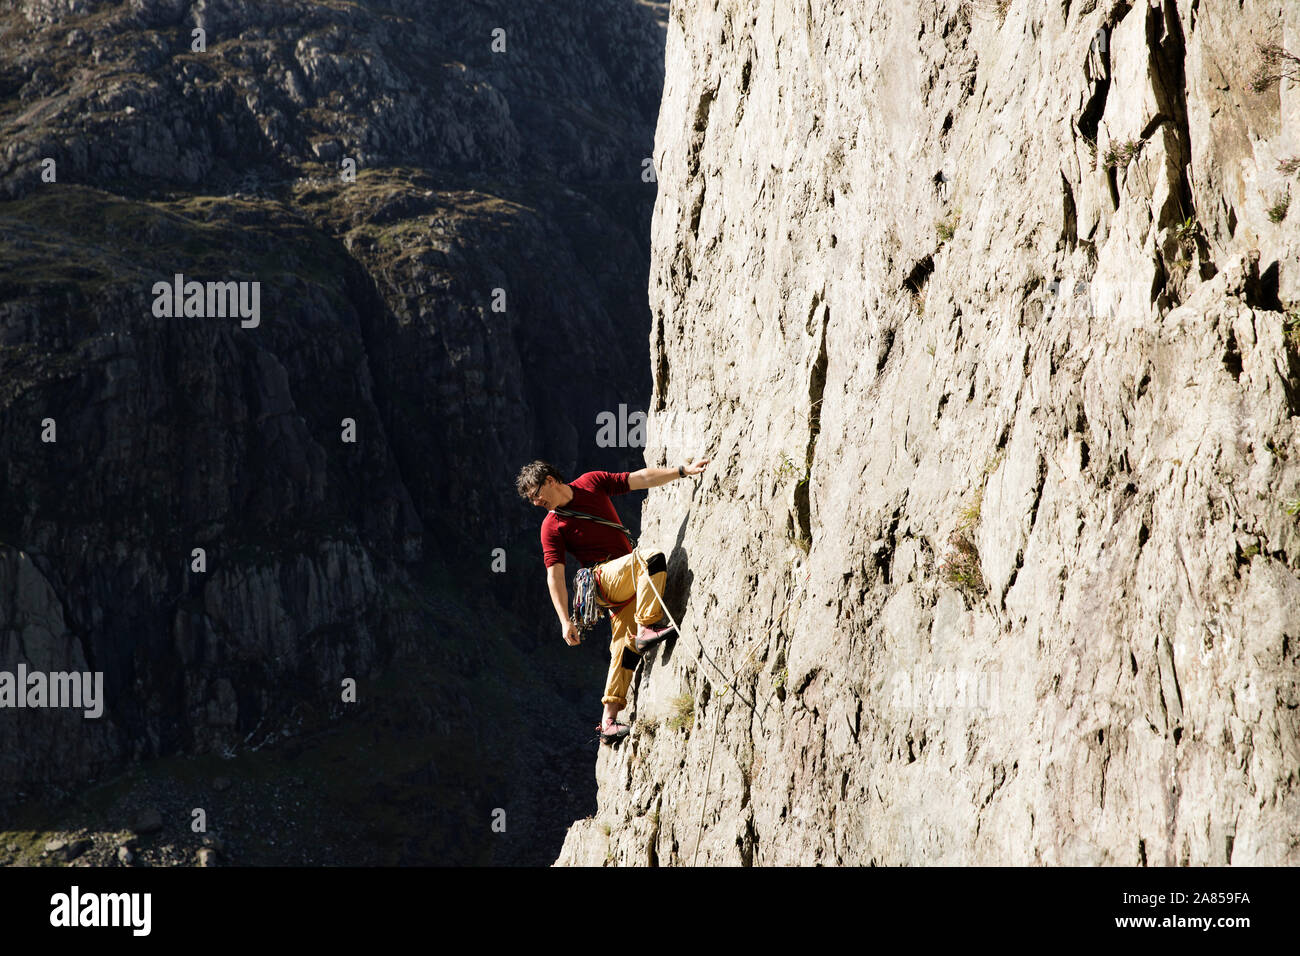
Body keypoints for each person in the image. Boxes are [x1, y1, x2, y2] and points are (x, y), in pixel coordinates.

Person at [516, 458, 710, 742]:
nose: (536, 502)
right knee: (650, 559)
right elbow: (554, 576)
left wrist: (681, 471)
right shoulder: (551, 527)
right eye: (531, 500)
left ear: (549, 480)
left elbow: (640, 478)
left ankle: (608, 721)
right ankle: (647, 626)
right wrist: (563, 620)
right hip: (603, 580)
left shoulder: (591, 482)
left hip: (623, 579)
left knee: (625, 647)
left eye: (536, 494)